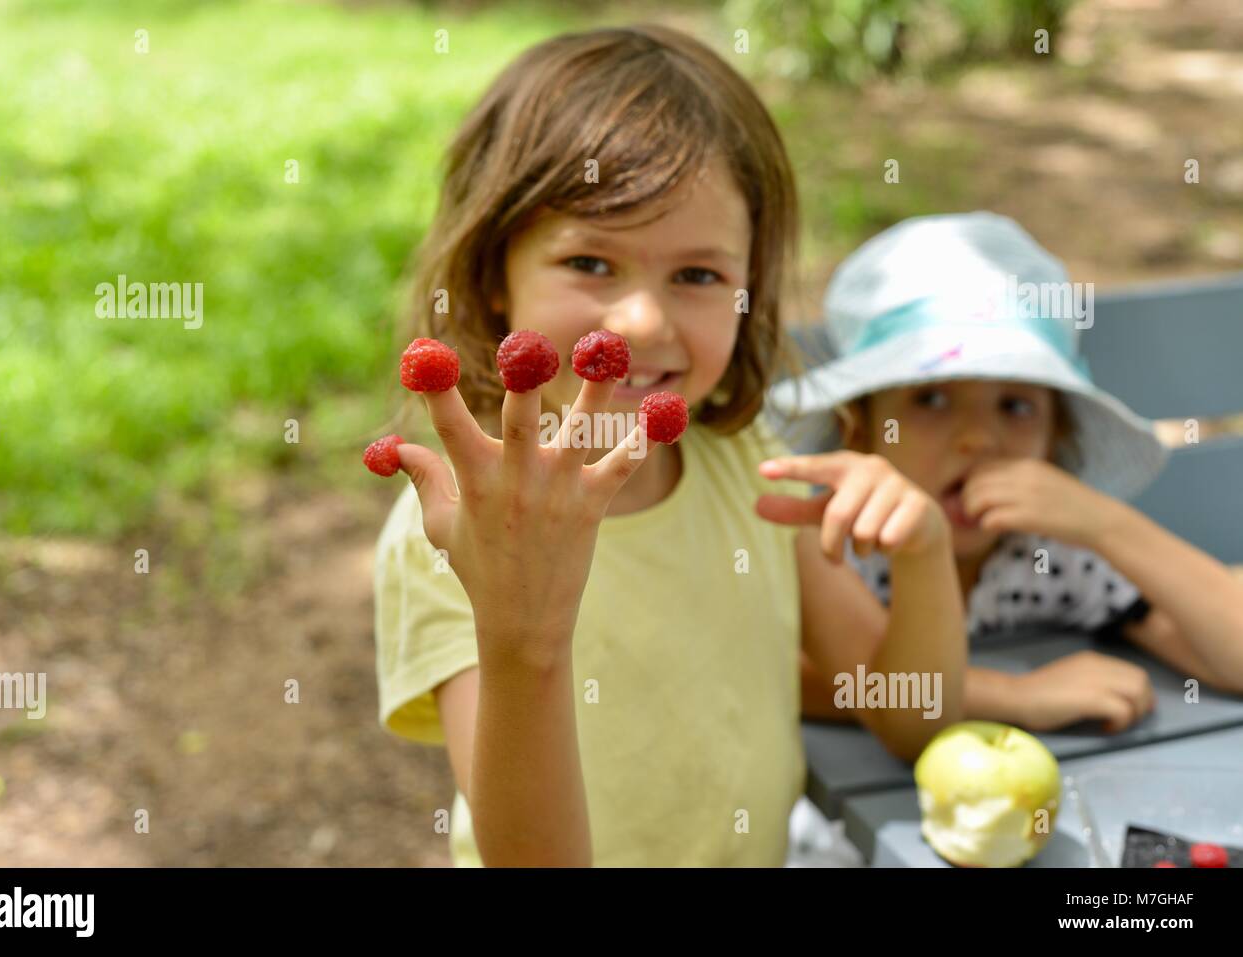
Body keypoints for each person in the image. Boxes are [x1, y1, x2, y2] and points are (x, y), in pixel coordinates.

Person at [373, 25, 966, 867]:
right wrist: (522, 627)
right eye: (590, 261)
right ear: (493, 275)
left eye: (697, 275)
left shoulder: (742, 461)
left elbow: (907, 715)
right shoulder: (454, 530)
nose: (643, 322)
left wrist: (923, 554)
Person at [769, 212, 1243, 738]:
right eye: (931, 399)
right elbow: (805, 676)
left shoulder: (1055, 554)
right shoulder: (840, 541)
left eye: (1015, 406)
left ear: (1054, 442)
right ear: (861, 431)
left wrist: (1107, 524)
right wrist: (1013, 696)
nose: (979, 439)